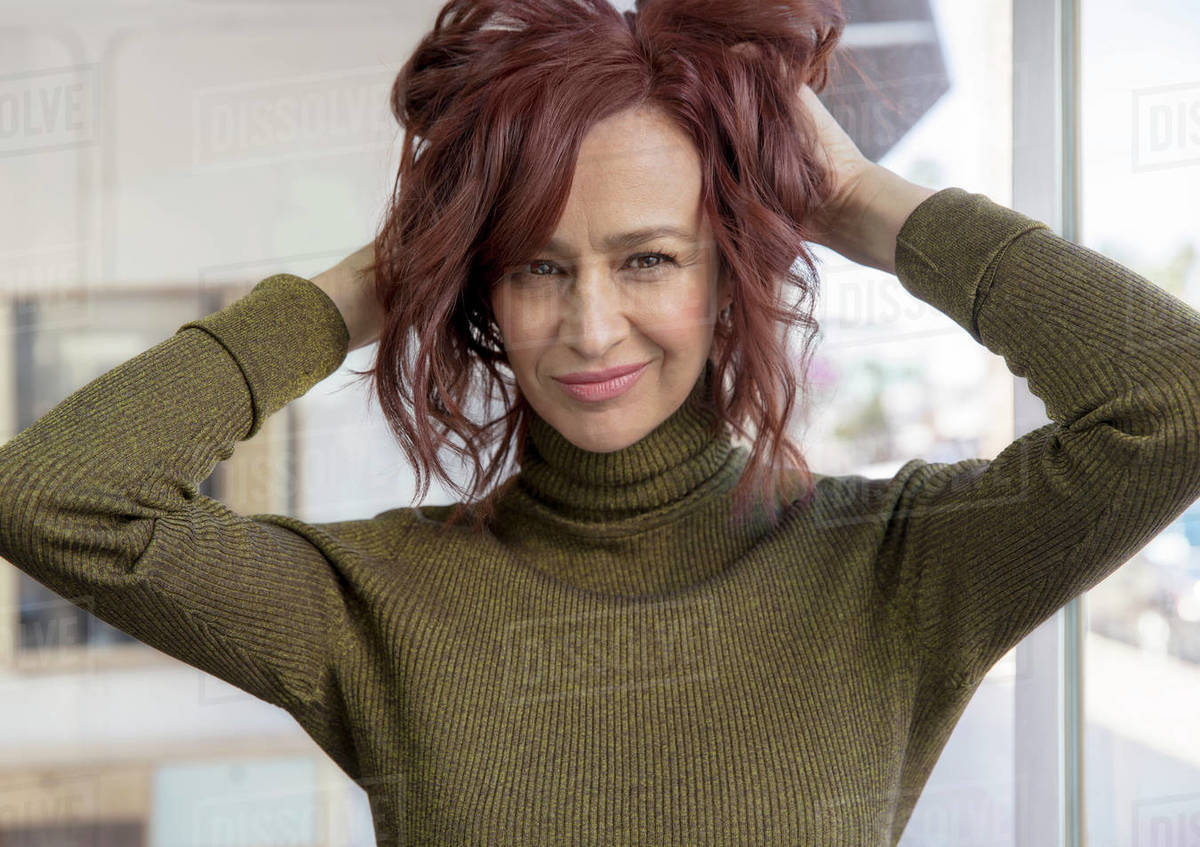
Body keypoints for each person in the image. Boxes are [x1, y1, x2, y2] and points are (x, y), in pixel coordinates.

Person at [1, 0, 1198, 844]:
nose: (590, 328)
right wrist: (372, 282)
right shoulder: (375, 603)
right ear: (485, 293)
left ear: (728, 275)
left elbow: (1171, 403)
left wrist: (854, 196)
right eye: (535, 268)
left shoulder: (895, 569)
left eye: (649, 259)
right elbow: (52, 496)